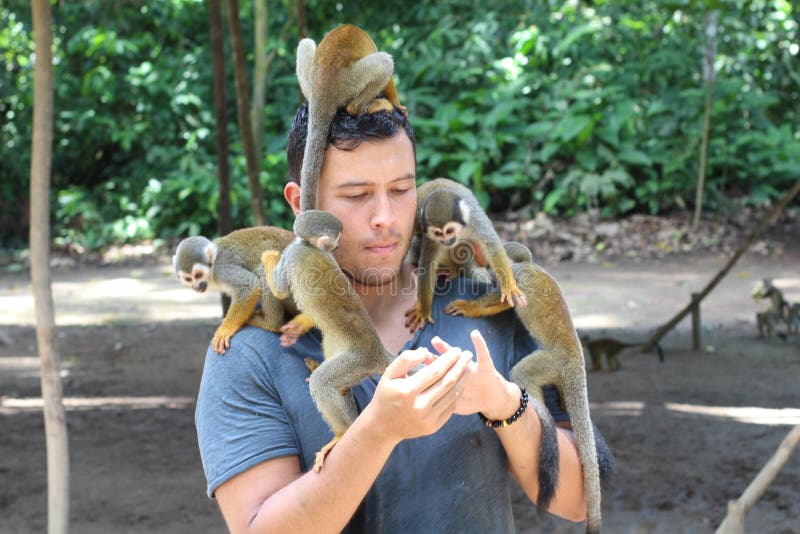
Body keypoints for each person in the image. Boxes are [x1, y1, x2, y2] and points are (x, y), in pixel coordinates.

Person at [195, 97, 601, 532]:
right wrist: (376, 431)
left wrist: (506, 405)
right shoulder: (250, 352)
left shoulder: (491, 310)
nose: (385, 218)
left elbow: (577, 501)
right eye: (357, 195)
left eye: (401, 190)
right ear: (301, 205)